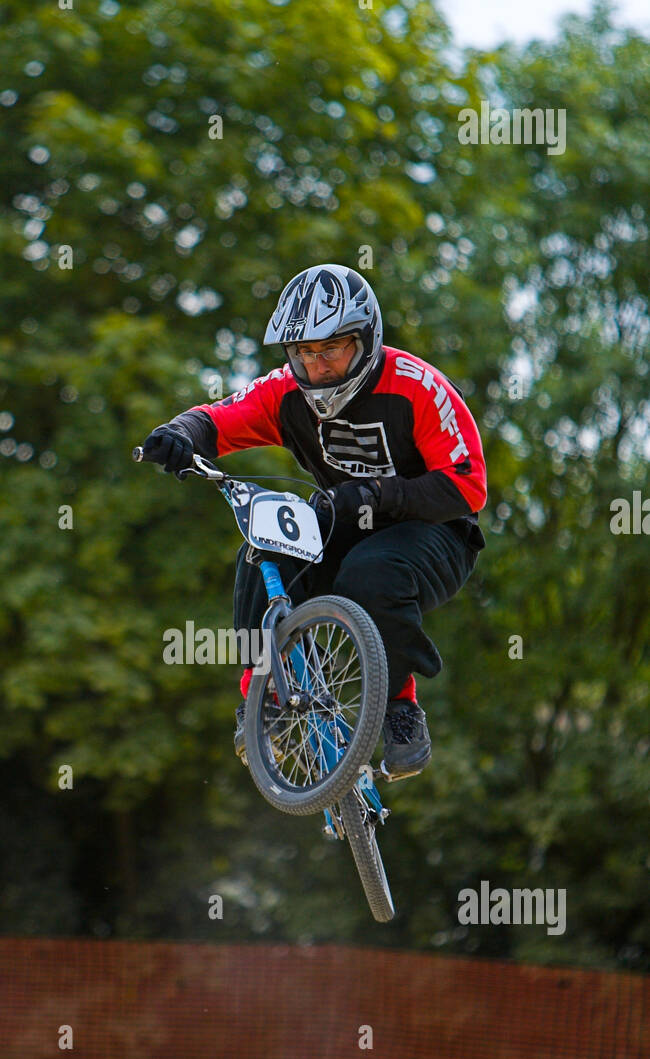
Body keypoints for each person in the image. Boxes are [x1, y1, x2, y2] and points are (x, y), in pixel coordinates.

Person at [141, 263, 486, 778]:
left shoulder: (418, 388)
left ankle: (400, 709)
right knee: (264, 550)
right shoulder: (286, 393)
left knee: (372, 573)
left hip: (437, 531)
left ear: (367, 341)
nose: (318, 367)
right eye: (304, 353)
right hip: (344, 520)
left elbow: (467, 487)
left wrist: (373, 494)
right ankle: (265, 698)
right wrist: (178, 434)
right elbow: (217, 417)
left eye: (332, 349)